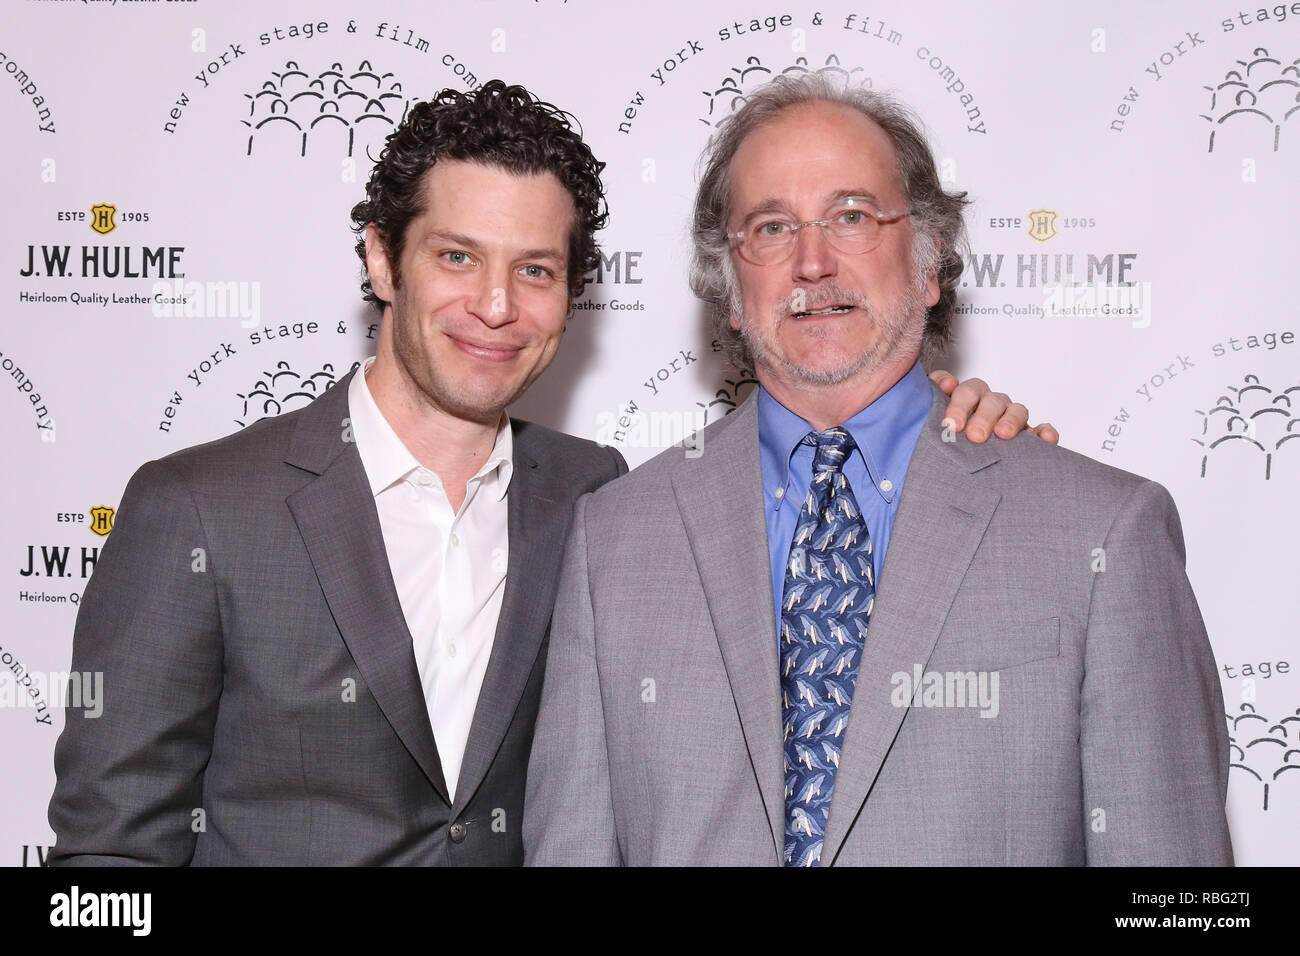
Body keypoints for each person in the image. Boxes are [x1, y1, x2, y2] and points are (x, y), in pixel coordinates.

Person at [48, 81, 1044, 866]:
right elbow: (105, 862)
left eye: (534, 269)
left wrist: (952, 432)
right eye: (456, 257)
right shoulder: (200, 509)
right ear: (383, 260)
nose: (495, 305)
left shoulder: (598, 500)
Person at [523, 73, 1233, 866]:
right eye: (772, 227)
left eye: (853, 216)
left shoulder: (1100, 534)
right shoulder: (614, 539)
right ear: (731, 289)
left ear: (929, 263)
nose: (813, 262)